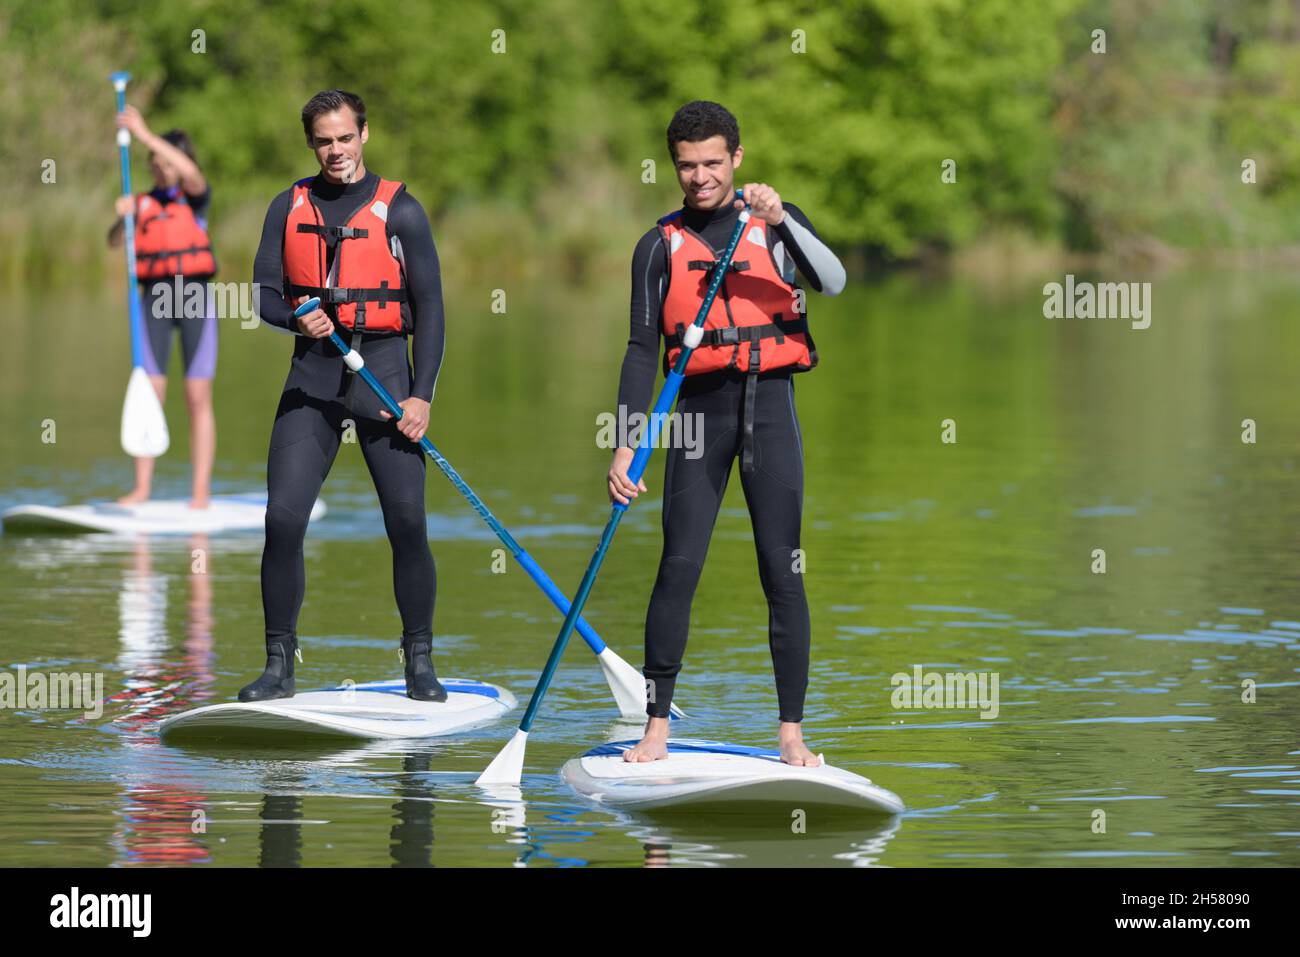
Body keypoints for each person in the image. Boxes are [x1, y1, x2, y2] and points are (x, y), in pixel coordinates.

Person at [608, 101, 847, 765]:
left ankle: (792, 733)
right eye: (688, 165)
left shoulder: (773, 223)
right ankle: (656, 727)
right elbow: (638, 349)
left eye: (713, 162)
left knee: (783, 569)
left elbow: (833, 280)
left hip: (770, 407)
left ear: (736, 158)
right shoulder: (657, 246)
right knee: (678, 565)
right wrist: (627, 442)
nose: (701, 176)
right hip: (695, 416)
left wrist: (780, 220)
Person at [240, 90, 447, 702]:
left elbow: (431, 308)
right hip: (313, 377)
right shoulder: (288, 205)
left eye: (345, 138)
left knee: (407, 522)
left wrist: (422, 396)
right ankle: (279, 663)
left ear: (364, 135)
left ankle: (419, 660)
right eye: (324, 140)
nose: (336, 151)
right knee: (282, 520)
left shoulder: (401, 211)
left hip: (384, 374)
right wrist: (296, 319)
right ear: (311, 142)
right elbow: (262, 295)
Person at [108, 109, 218, 509]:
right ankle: (141, 488)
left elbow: (190, 171)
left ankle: (200, 494)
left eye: (169, 159)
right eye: (157, 161)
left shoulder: (196, 196)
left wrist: (142, 131)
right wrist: (123, 219)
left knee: (196, 395)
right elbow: (114, 243)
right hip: (152, 299)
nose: (162, 166)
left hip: (193, 298)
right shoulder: (141, 203)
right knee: (150, 392)